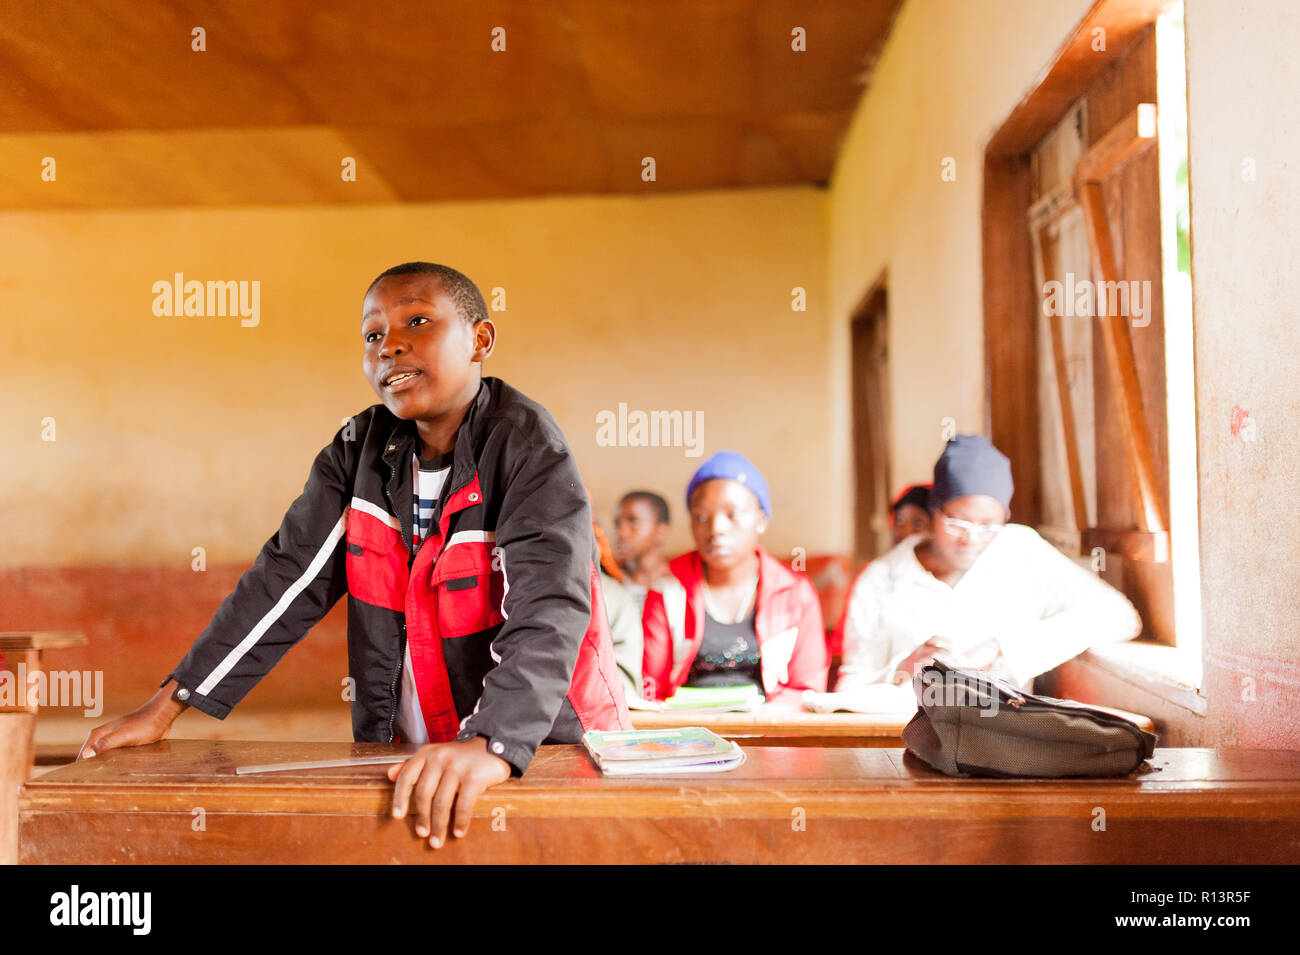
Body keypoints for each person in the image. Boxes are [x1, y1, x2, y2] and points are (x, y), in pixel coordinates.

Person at [79, 262, 630, 848]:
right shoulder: (356, 451)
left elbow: (549, 609)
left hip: (540, 746)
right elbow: (286, 581)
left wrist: (493, 743)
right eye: (373, 336)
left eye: (417, 321)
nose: (390, 345)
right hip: (408, 748)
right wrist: (169, 704)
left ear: (480, 340)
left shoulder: (527, 447)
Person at [834, 434, 1141, 696]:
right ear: (933, 511)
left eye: (988, 525)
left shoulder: (1020, 551)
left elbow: (1119, 615)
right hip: (901, 749)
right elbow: (848, 691)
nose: (971, 538)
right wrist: (900, 670)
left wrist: (1002, 648)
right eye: (957, 521)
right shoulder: (882, 579)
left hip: (1001, 749)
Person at [641, 451, 828, 703]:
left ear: (761, 520)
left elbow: (807, 690)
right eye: (701, 517)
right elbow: (651, 689)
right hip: (686, 735)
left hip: (770, 733)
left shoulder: (795, 592)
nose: (716, 529)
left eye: (732, 515)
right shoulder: (668, 588)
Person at [613, 490, 674, 610]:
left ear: (660, 531)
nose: (621, 532)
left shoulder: (677, 584)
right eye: (617, 523)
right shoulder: (608, 582)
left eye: (633, 522)